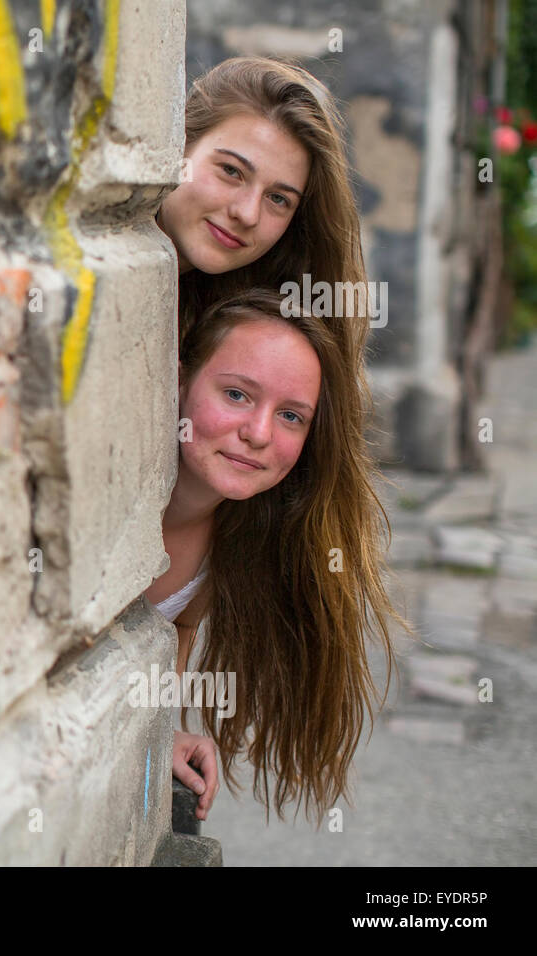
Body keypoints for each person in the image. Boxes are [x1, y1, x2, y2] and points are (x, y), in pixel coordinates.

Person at [144, 288, 408, 827]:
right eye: (237, 395)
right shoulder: (120, 500)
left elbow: (178, 632)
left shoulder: (233, 541)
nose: (258, 434)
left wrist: (163, 727)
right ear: (178, 381)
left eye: (291, 416)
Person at [156, 56, 371, 373]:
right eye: (231, 171)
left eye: (278, 199)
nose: (247, 214)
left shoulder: (258, 329)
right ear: (180, 145)